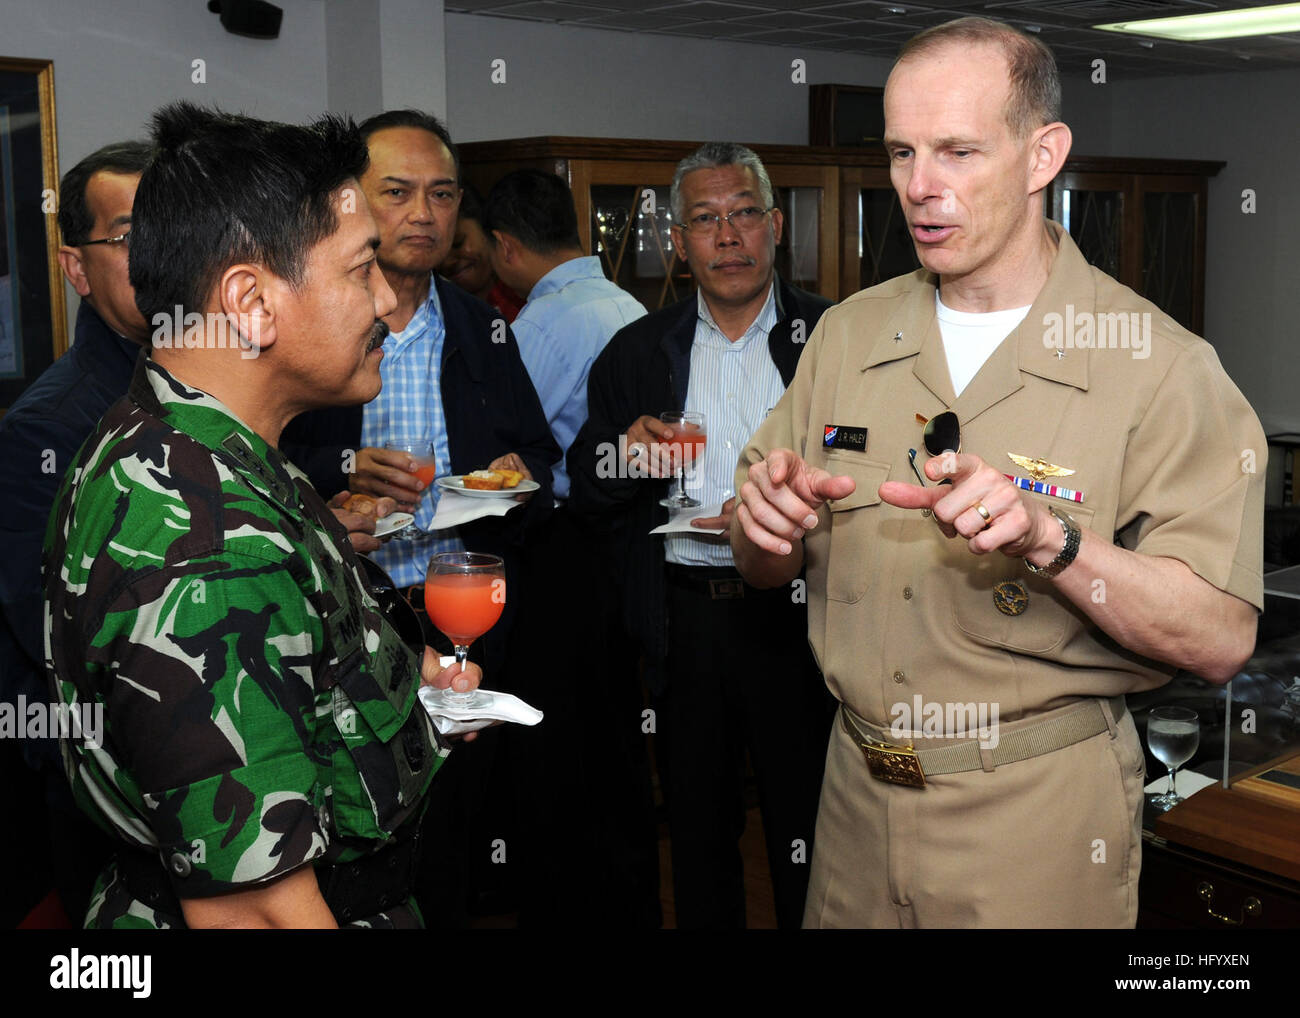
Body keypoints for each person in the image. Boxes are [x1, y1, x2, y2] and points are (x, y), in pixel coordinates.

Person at [733, 17, 1264, 928]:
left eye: (958, 151)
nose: (920, 189)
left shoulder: (1158, 364)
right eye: (901, 153)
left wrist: (1050, 539)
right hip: (855, 798)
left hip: (1033, 818)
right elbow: (762, 565)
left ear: (1042, 154)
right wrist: (765, 524)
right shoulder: (848, 335)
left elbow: (1219, 639)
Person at [43, 102, 482, 929]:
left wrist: (401, 696)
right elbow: (260, 912)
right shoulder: (200, 539)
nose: (387, 302)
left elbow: (290, 679)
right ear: (249, 301)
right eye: (361, 270)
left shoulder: (201, 442)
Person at [568, 142, 835, 929]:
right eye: (706, 220)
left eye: (745, 214)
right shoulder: (638, 353)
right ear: (677, 243)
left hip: (799, 615)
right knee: (696, 829)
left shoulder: (831, 338)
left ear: (776, 227)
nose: (729, 237)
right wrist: (631, 454)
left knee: (809, 827)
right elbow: (586, 485)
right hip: (685, 619)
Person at [481, 167, 654, 925]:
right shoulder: (629, 304)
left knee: (554, 741)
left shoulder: (539, 326)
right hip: (627, 547)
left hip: (562, 547)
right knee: (614, 738)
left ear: (507, 247)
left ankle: (563, 898)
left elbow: (511, 454)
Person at [0, 141, 151, 925]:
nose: (159, 255)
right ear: (75, 268)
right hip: (108, 770)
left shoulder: (220, 383)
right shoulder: (46, 425)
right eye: (130, 238)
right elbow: (46, 620)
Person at [439, 184, 524, 321]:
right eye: (438, 251)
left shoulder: (523, 298)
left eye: (458, 243)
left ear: (487, 230)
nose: (447, 261)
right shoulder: (437, 314)